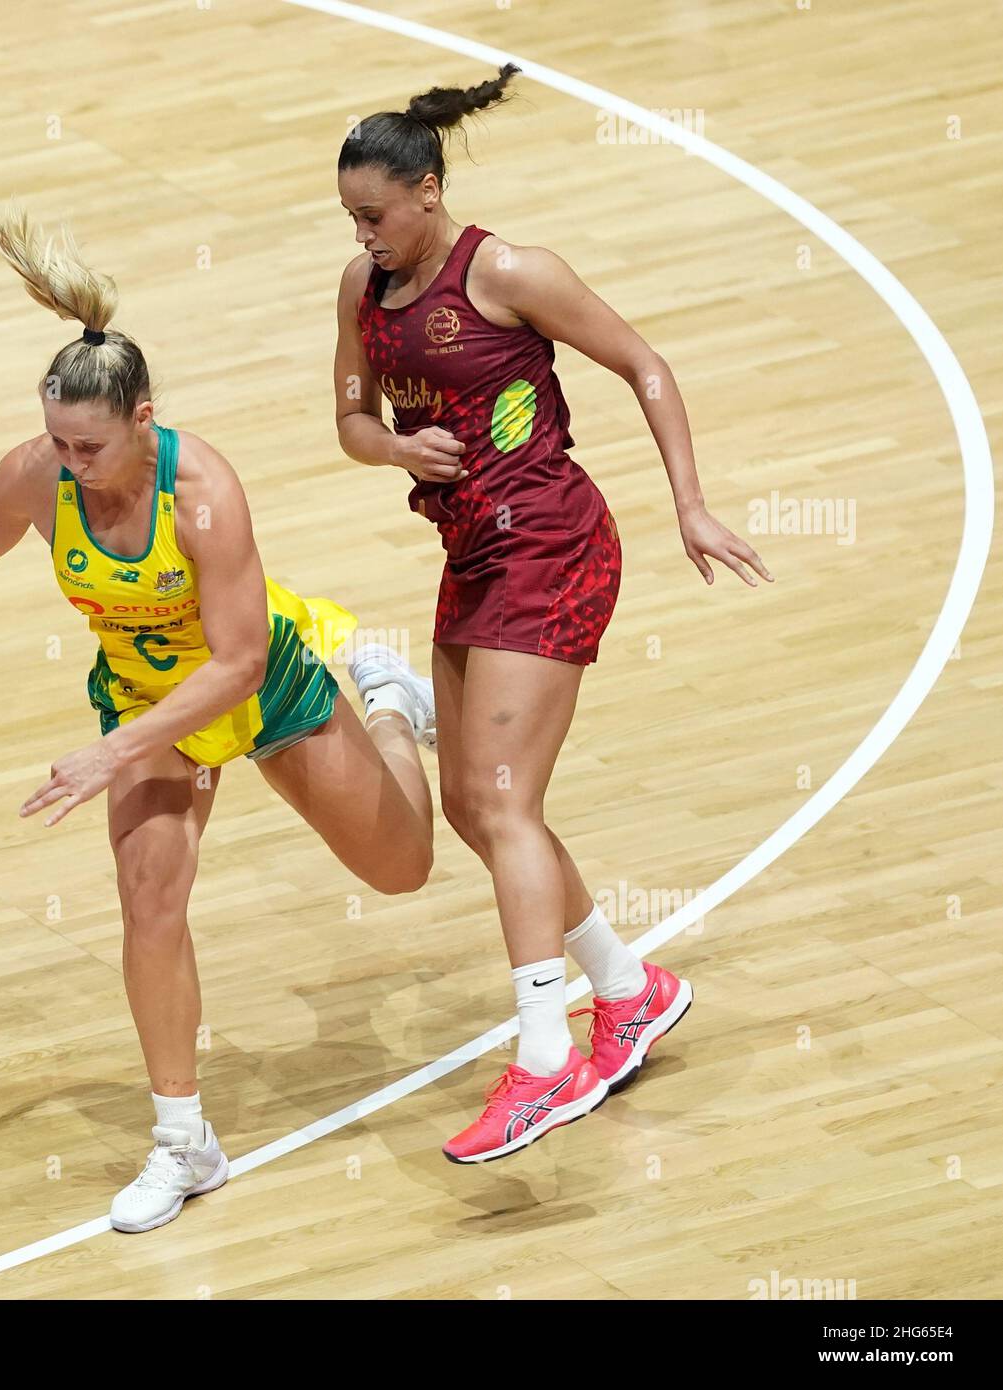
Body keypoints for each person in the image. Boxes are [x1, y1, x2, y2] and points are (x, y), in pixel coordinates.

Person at [0, 198, 439, 1227]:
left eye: (87, 446)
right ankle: (185, 1141)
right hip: (140, 694)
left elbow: (238, 659)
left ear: (143, 420)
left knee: (402, 870)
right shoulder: (40, 475)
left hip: (257, 686)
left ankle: (387, 699)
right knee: (149, 893)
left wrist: (108, 756)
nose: (68, 465)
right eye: (56, 444)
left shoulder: (202, 492)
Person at [333, 66, 772, 1163]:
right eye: (351, 218)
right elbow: (347, 416)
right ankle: (628, 990)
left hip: (551, 541)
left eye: (376, 215)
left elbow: (645, 365)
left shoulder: (512, 272)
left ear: (428, 191)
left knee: (497, 796)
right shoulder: (360, 287)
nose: (365, 234)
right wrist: (394, 445)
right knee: (477, 814)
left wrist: (692, 504)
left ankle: (543, 1062)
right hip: (470, 551)